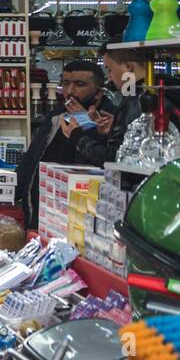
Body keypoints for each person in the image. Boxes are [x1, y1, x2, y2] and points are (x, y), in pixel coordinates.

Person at [16, 60, 114, 230]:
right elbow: (32, 159)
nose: (70, 91)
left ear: (98, 93)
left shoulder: (109, 120)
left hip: (83, 218)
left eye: (79, 84)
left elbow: (105, 161)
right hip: (43, 212)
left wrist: (87, 125)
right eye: (66, 83)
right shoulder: (56, 115)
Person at [75, 48, 150, 167]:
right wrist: (115, 129)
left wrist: (78, 138)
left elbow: (116, 159)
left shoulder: (136, 101)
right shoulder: (153, 93)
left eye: (110, 69)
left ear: (127, 67)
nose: (109, 77)